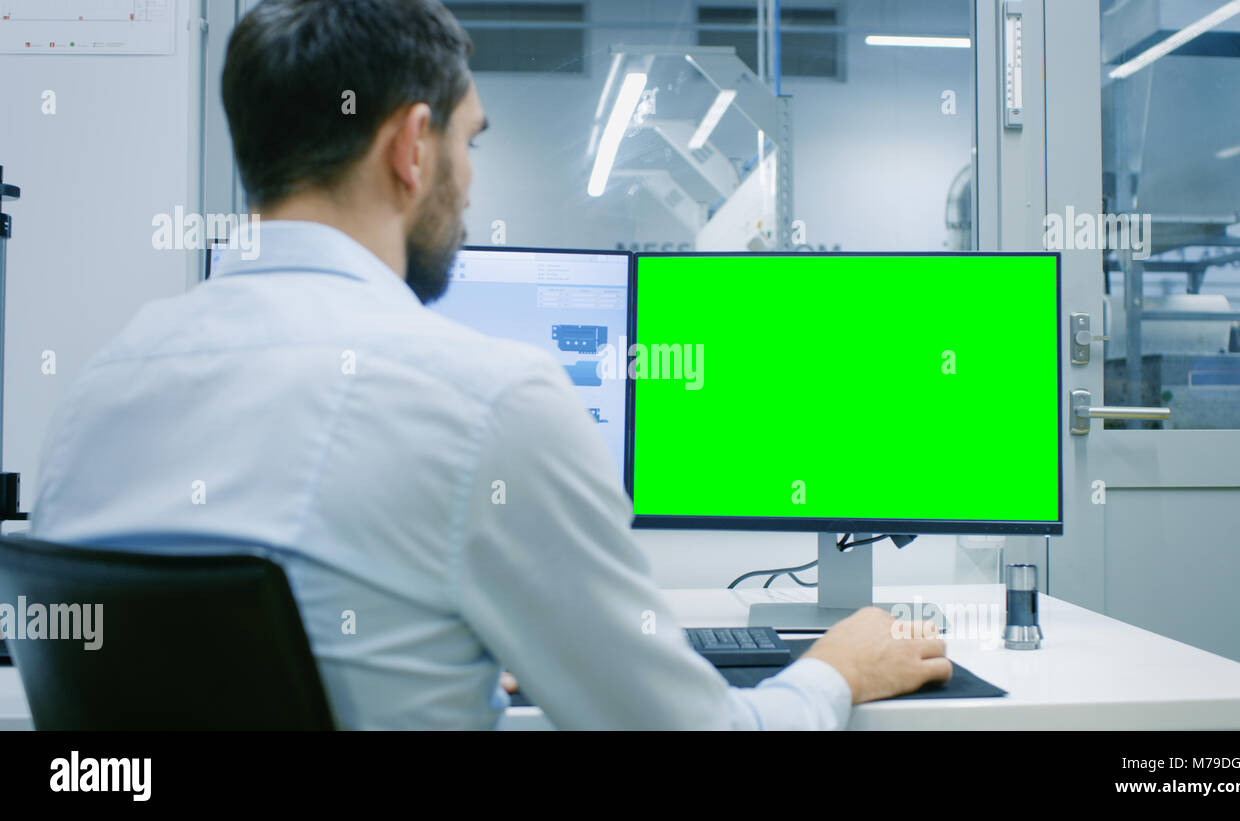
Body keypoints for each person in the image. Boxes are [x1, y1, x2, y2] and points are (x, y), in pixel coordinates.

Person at [29, 0, 950, 729]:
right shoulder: (486, 402)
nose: (468, 187)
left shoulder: (95, 396)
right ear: (410, 146)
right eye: (468, 143)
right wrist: (836, 669)